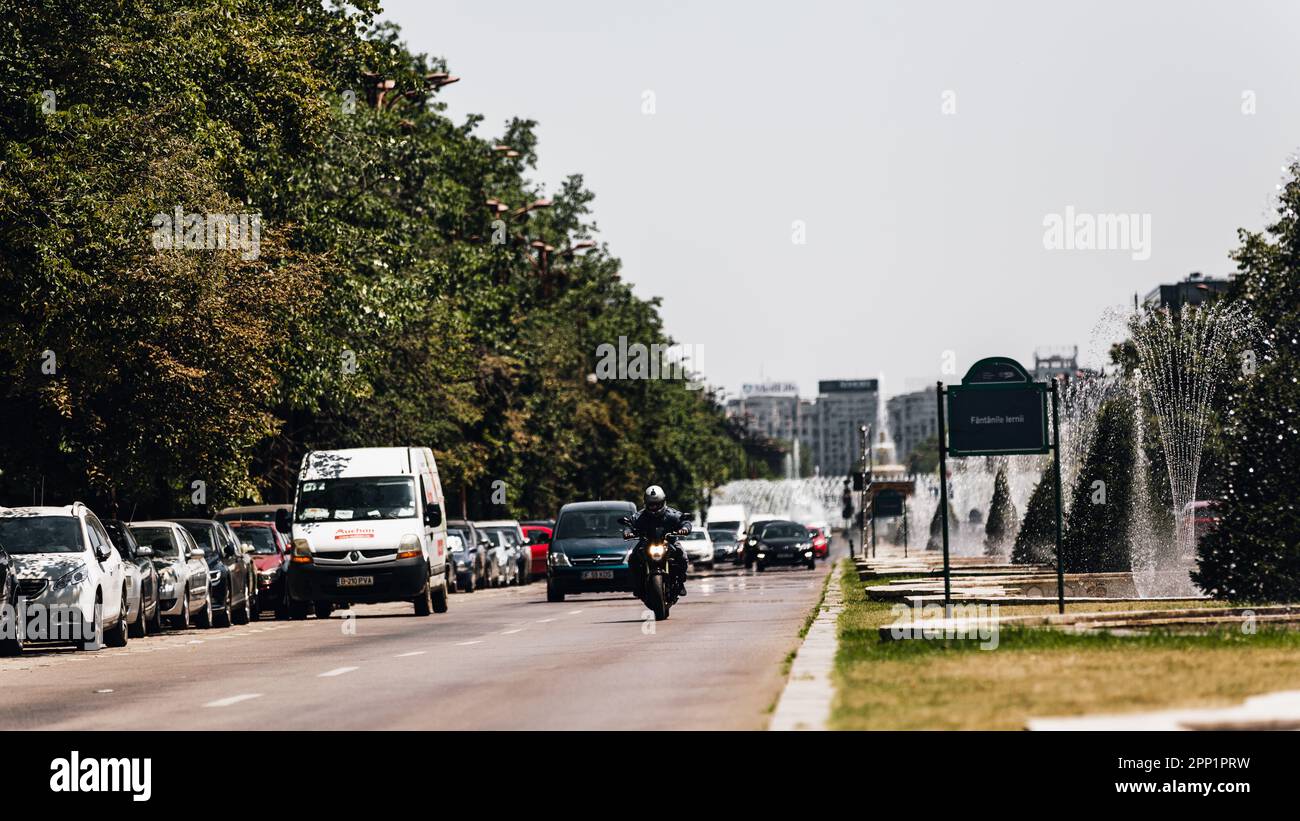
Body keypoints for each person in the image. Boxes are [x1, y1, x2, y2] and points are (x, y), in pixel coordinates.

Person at [626, 485, 691, 599]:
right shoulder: (640, 516)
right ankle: (638, 585)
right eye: (651, 504)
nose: (654, 507)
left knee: (682, 556)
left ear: (663, 502)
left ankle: (680, 583)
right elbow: (630, 524)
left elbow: (684, 521)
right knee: (632, 559)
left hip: (669, 541)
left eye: (657, 504)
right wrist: (628, 532)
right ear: (646, 503)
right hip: (646, 543)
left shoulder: (672, 514)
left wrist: (684, 529)